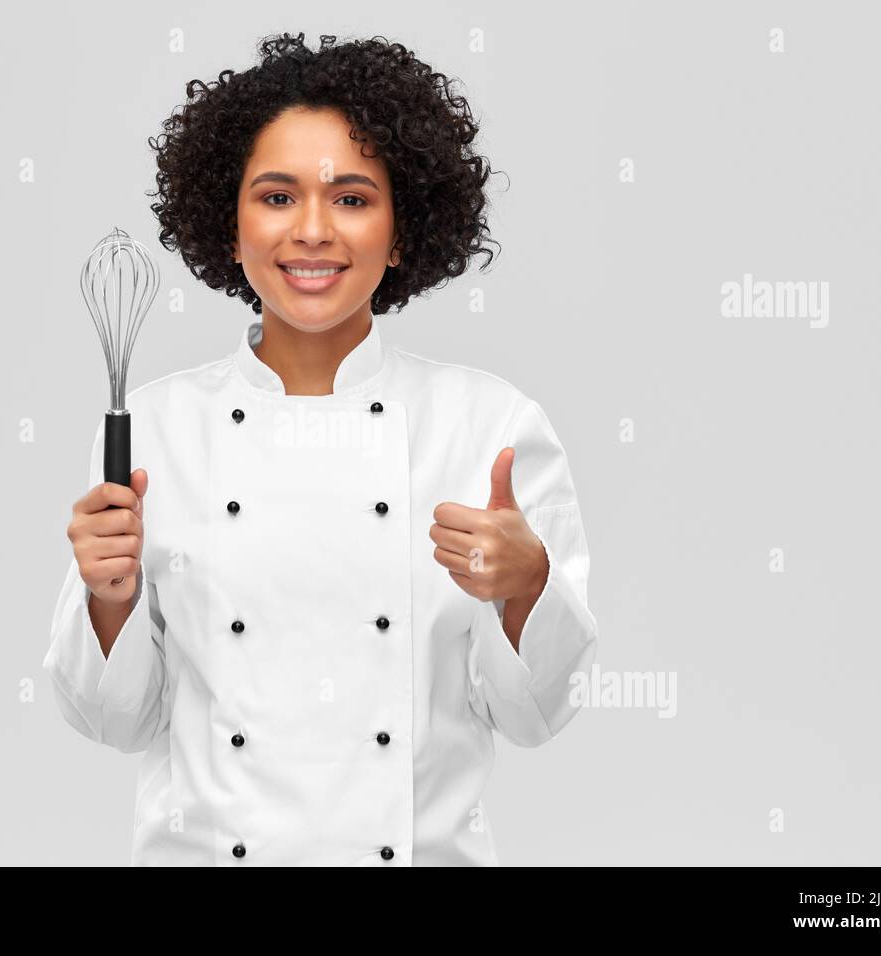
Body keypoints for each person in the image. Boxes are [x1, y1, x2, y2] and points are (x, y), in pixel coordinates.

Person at [43, 33, 599, 866]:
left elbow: (535, 717)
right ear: (228, 229)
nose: (311, 231)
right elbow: (114, 722)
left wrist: (529, 589)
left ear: (402, 230)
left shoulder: (489, 427)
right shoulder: (153, 431)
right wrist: (108, 598)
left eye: (351, 198)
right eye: (276, 196)